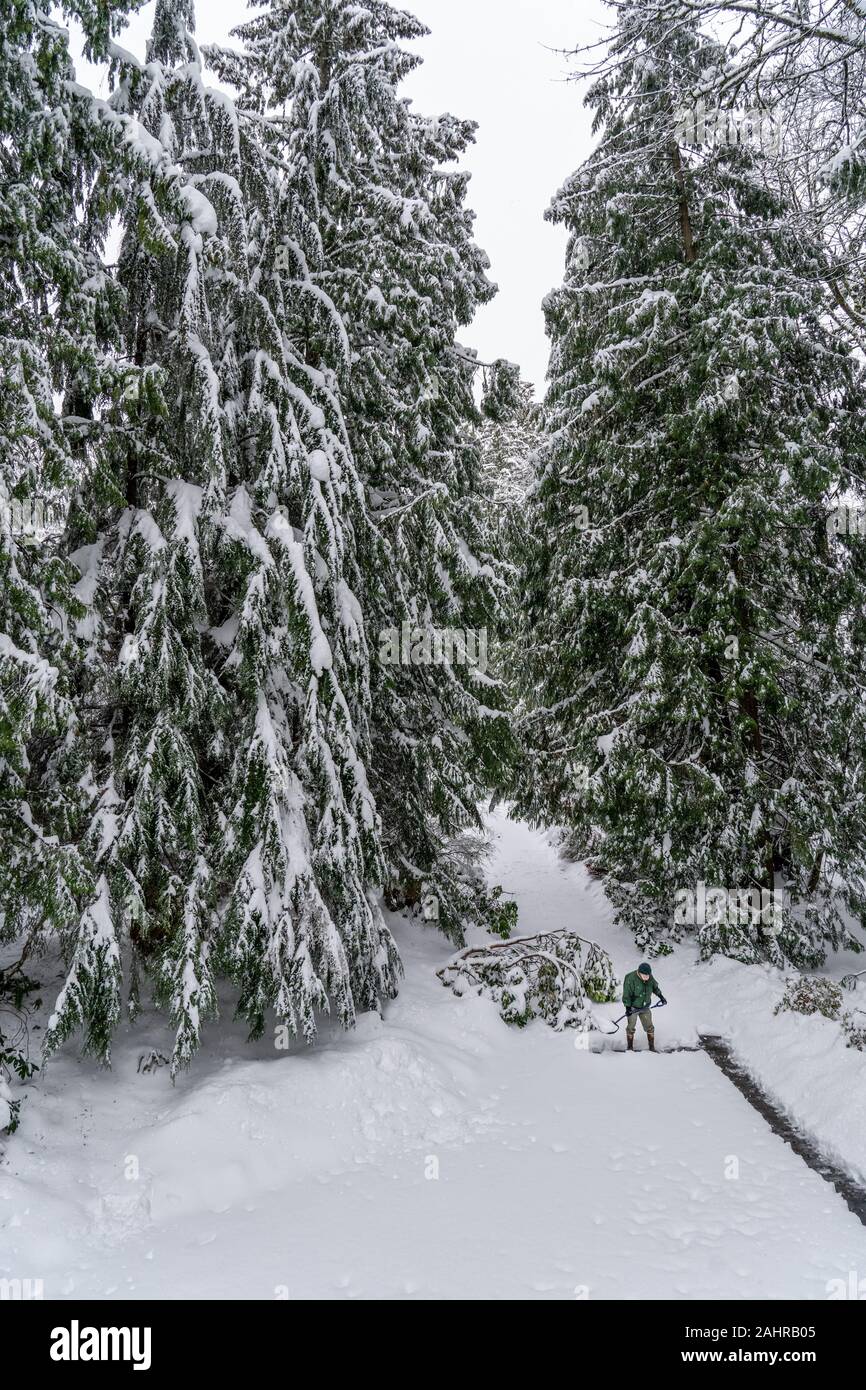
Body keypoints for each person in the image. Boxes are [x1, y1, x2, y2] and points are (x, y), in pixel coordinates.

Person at [622, 963, 666, 1051]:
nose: (647, 977)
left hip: (645, 1007)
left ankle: (651, 1047)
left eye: (648, 975)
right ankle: (630, 1047)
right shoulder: (630, 978)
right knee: (631, 1027)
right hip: (633, 1008)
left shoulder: (650, 977)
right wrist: (627, 1008)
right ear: (639, 973)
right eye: (644, 975)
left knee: (650, 1026)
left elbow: (655, 987)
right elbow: (627, 995)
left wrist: (661, 997)